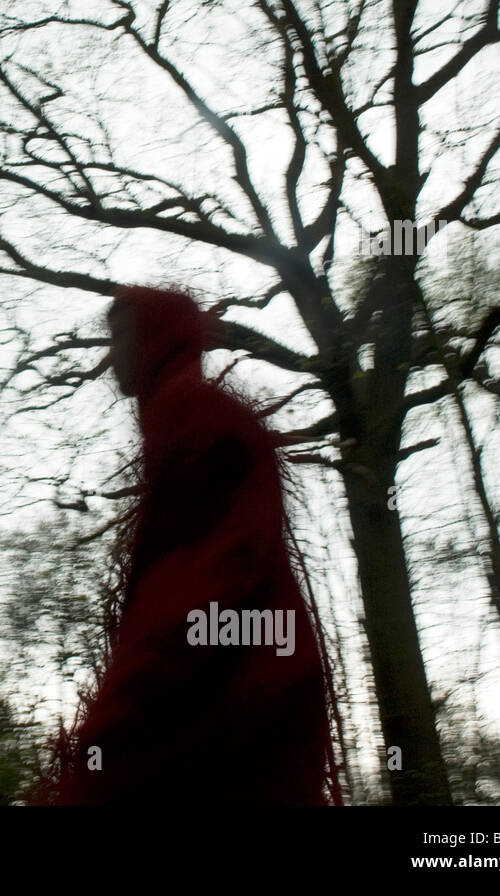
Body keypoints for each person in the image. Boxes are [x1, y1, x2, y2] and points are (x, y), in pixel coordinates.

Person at [53, 285, 333, 805]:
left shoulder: (202, 421)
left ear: (157, 337)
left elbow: (198, 596)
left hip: (237, 728)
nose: (111, 354)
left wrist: (112, 734)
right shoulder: (177, 425)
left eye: (121, 336)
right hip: (237, 721)